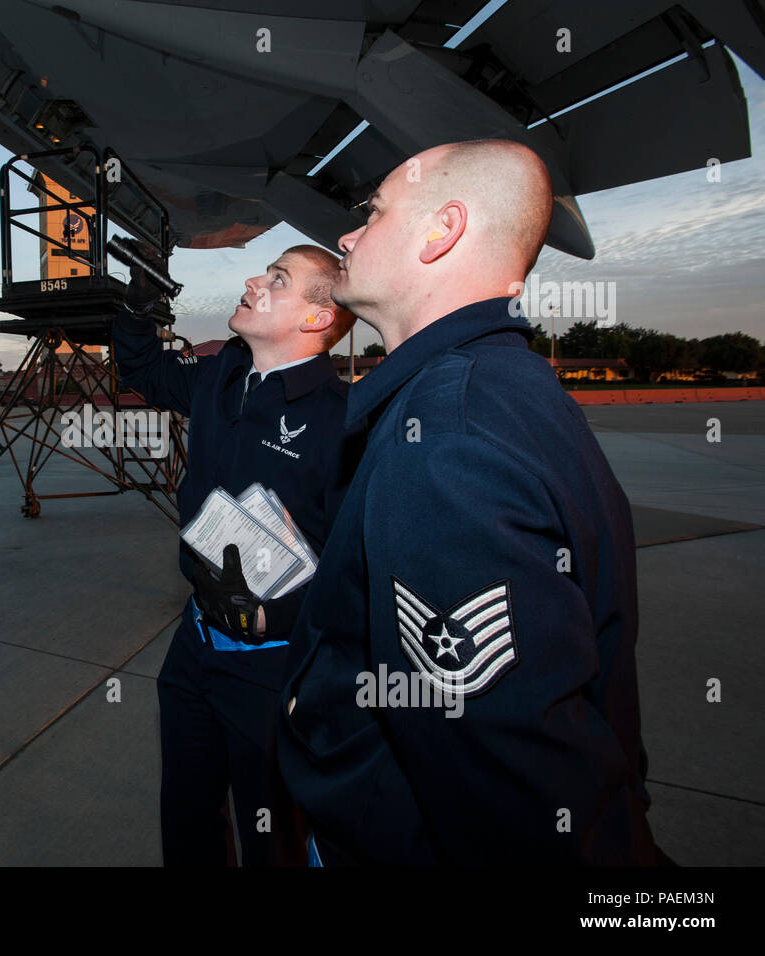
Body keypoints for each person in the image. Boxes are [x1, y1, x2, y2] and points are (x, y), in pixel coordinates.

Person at [277, 139, 661, 864]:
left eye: (376, 211)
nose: (347, 235)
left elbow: (514, 783)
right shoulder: (509, 388)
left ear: (441, 230)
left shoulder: (447, 443)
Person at [112, 241, 363, 866]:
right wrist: (137, 306)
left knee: (271, 834)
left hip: (275, 670)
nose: (254, 280)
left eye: (277, 278)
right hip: (195, 645)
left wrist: (276, 615)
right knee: (187, 812)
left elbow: (357, 567)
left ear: (316, 318)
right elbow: (141, 367)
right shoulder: (220, 378)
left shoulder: (345, 423)